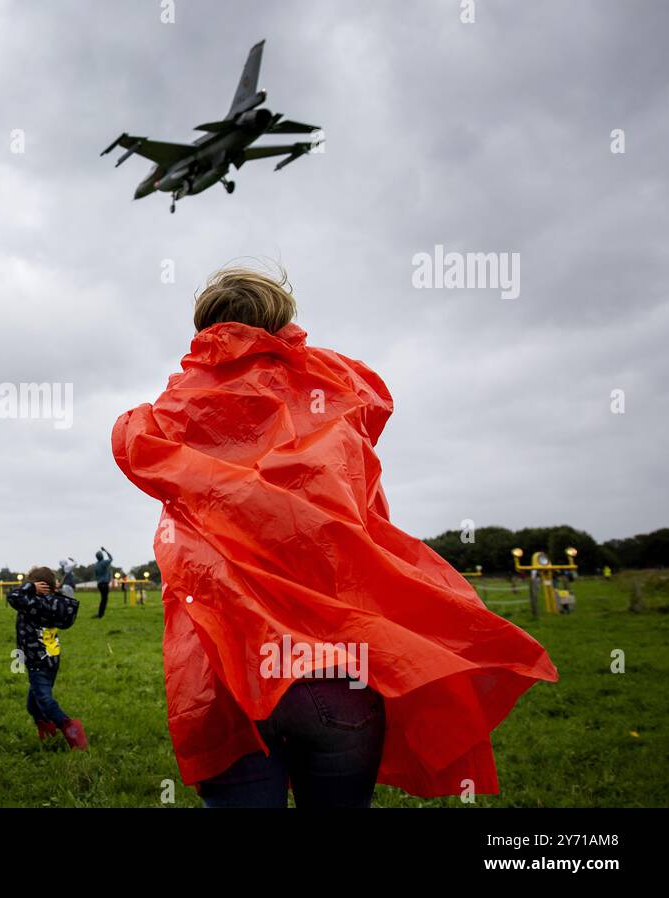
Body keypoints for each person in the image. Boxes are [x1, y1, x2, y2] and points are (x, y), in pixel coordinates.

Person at [112, 264, 557, 807]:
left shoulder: (166, 418)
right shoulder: (336, 404)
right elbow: (369, 427)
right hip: (335, 675)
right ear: (282, 323)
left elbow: (132, 440)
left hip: (226, 681)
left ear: (204, 328)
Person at [7, 566, 87, 750]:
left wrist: (30, 588)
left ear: (38, 586)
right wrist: (52, 589)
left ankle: (70, 728)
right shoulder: (53, 602)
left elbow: (13, 596)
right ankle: (48, 732)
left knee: (44, 701)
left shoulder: (34, 604)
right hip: (52, 660)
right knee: (33, 706)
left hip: (38, 661)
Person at [93, 547, 113, 618]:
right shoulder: (104, 562)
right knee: (104, 600)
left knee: (103, 599)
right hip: (104, 584)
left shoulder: (96, 565)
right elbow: (111, 558)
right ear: (102, 556)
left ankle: (100, 614)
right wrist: (105, 550)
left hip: (99, 584)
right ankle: (100, 615)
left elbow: (96, 575)